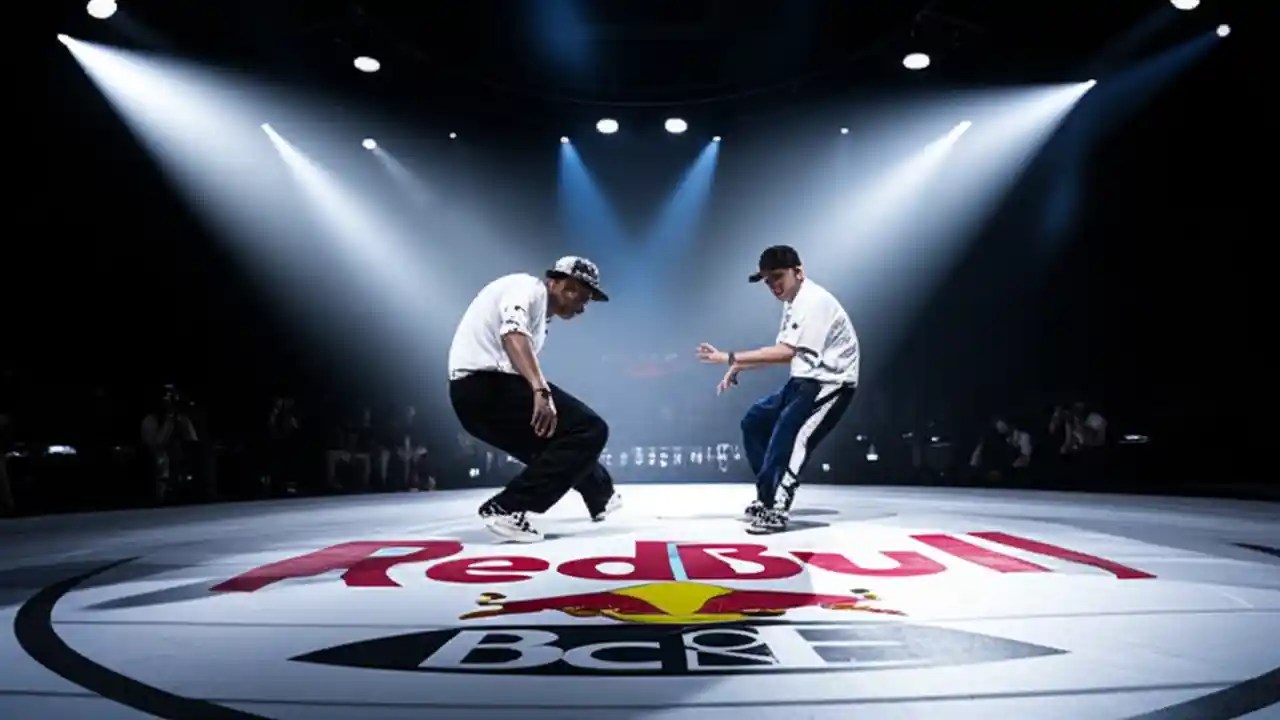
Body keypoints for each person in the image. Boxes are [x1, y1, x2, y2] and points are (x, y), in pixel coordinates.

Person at [447, 256, 622, 542]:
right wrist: (541, 391)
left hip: (470, 398)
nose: (583, 305)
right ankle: (508, 507)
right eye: (580, 294)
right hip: (485, 386)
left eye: (588, 299)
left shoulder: (542, 318)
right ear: (555, 283)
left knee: (551, 446)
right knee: (590, 428)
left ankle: (598, 492)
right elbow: (512, 334)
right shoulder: (527, 288)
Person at [697, 245, 858, 534]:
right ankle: (768, 496)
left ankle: (778, 508)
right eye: (767, 280)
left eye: (777, 276)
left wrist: (729, 357)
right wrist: (738, 367)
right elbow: (783, 352)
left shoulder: (814, 301)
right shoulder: (793, 302)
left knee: (792, 436)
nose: (773, 285)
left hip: (831, 385)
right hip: (803, 381)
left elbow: (785, 353)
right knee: (754, 422)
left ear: (799, 271)